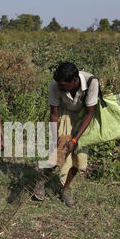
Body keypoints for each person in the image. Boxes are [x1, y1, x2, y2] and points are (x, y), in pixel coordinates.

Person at [34, 62, 100, 208]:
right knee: (59, 152)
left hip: (84, 119)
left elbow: (89, 113)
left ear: (74, 80)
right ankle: (41, 182)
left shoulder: (91, 82)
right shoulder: (55, 85)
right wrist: (54, 139)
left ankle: (63, 191)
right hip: (66, 116)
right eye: (58, 84)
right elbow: (54, 113)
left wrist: (75, 140)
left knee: (79, 159)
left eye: (63, 85)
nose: (59, 87)